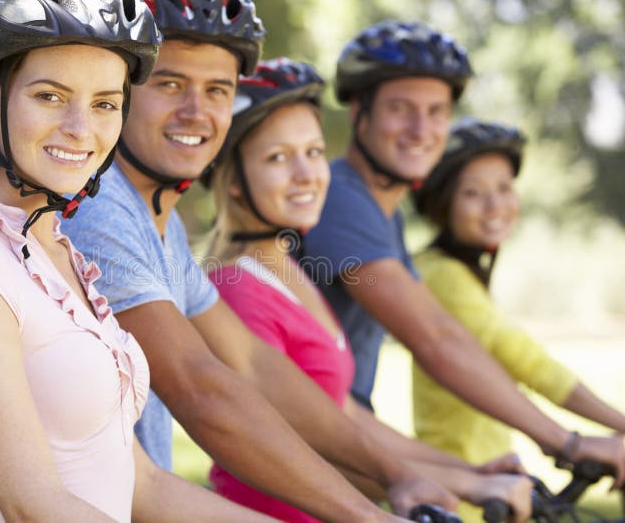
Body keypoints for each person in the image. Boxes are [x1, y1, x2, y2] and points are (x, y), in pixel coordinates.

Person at [62, 0, 455, 519]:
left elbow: (250, 363)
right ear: (121, 91)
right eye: (171, 84)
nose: (195, 111)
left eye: (217, 89)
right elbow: (200, 388)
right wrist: (367, 514)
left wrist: (398, 475)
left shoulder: (162, 225)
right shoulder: (98, 210)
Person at [0, 0, 278, 521]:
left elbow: (142, 485)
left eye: (105, 103)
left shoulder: (57, 249)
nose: (81, 129)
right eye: (51, 96)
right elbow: (31, 504)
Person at [204, 57, 534, 523]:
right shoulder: (236, 290)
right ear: (234, 181)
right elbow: (289, 448)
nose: (307, 175)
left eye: (315, 152)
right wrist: (466, 484)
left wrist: (467, 470)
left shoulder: (295, 274)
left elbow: (347, 421)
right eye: (278, 158)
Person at [303, 18, 625, 488]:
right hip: (306, 466)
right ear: (358, 113)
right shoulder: (340, 199)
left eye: (436, 111)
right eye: (401, 108)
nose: (421, 129)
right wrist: (566, 442)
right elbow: (435, 339)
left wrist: (469, 471)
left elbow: (453, 337)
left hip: (339, 455)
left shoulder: (381, 214)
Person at [411, 118, 625, 517]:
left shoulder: (458, 272)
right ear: (443, 204)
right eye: (473, 193)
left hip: (488, 486)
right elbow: (529, 362)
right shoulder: (442, 276)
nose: (495, 205)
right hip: (462, 499)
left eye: (504, 188)